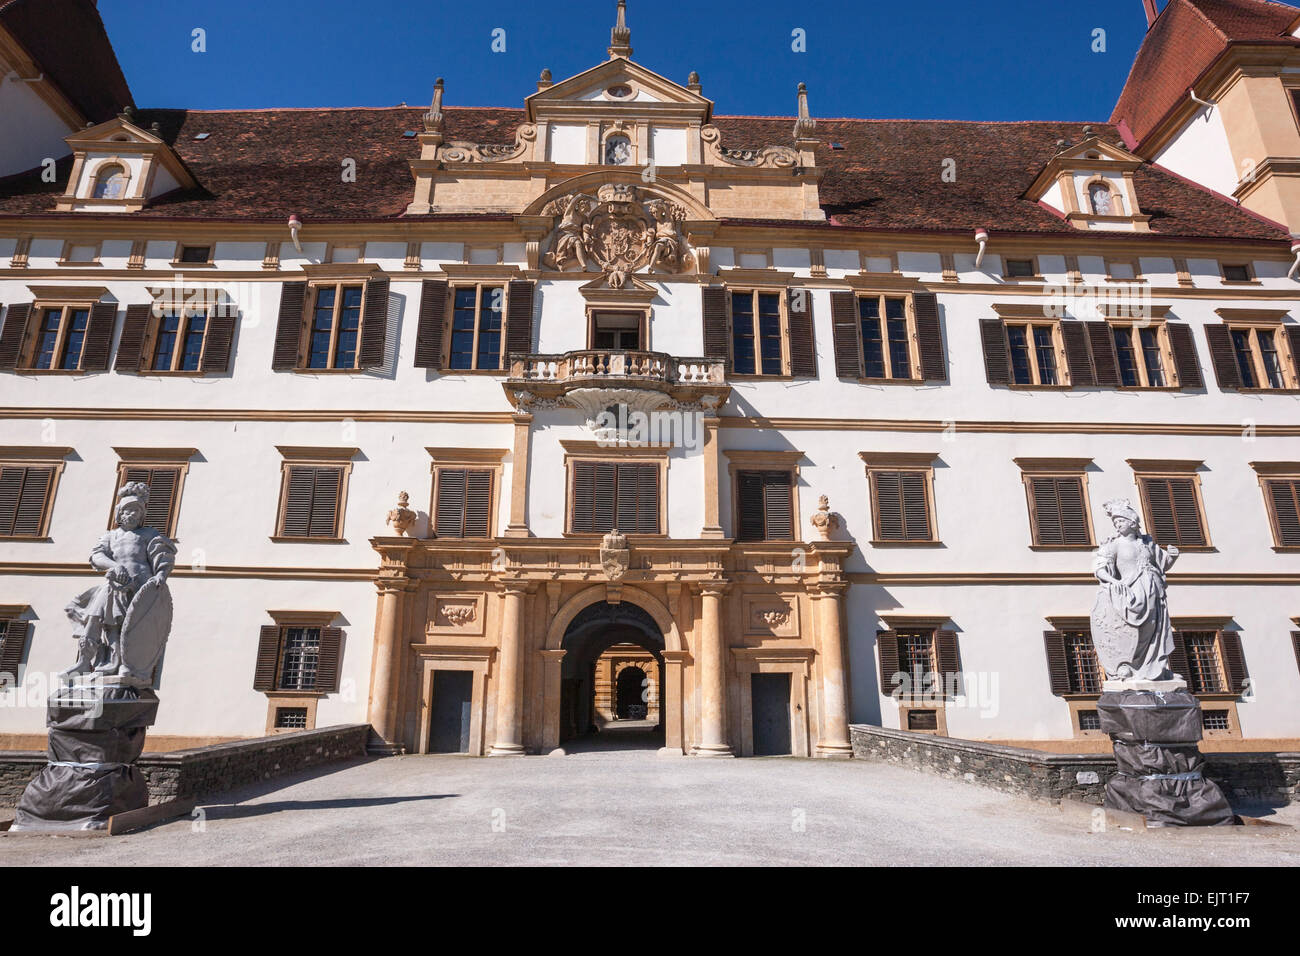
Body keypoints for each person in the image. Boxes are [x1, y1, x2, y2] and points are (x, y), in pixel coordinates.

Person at [63, 482, 176, 685]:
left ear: (142, 515)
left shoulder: (149, 535)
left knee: (129, 626)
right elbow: (97, 556)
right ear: (119, 513)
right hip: (112, 587)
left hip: (139, 588)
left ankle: (127, 664)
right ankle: (85, 661)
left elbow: (163, 556)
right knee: (97, 621)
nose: (131, 515)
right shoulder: (110, 536)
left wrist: (160, 575)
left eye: (135, 511)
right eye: (126, 510)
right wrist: (114, 566)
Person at [1091, 498, 1179, 681]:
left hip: (1154, 590)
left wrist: (1172, 557)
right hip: (1131, 592)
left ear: (1132, 522)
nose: (1117, 525)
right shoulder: (1114, 544)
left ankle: (1156, 668)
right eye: (1116, 522)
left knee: (1156, 629)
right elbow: (1099, 568)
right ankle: (1129, 665)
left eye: (1121, 521)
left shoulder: (1147, 544)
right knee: (1134, 629)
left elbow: (1162, 564)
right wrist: (1113, 582)